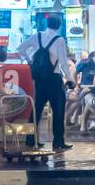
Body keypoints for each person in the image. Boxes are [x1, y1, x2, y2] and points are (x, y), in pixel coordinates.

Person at [17, 14, 72, 152]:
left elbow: (21, 48)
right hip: (54, 79)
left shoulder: (37, 36)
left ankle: (30, 140)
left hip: (40, 79)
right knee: (58, 110)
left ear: (46, 23)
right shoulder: (59, 40)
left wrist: (30, 61)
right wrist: (70, 79)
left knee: (37, 109)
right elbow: (64, 63)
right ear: (59, 26)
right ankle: (58, 142)